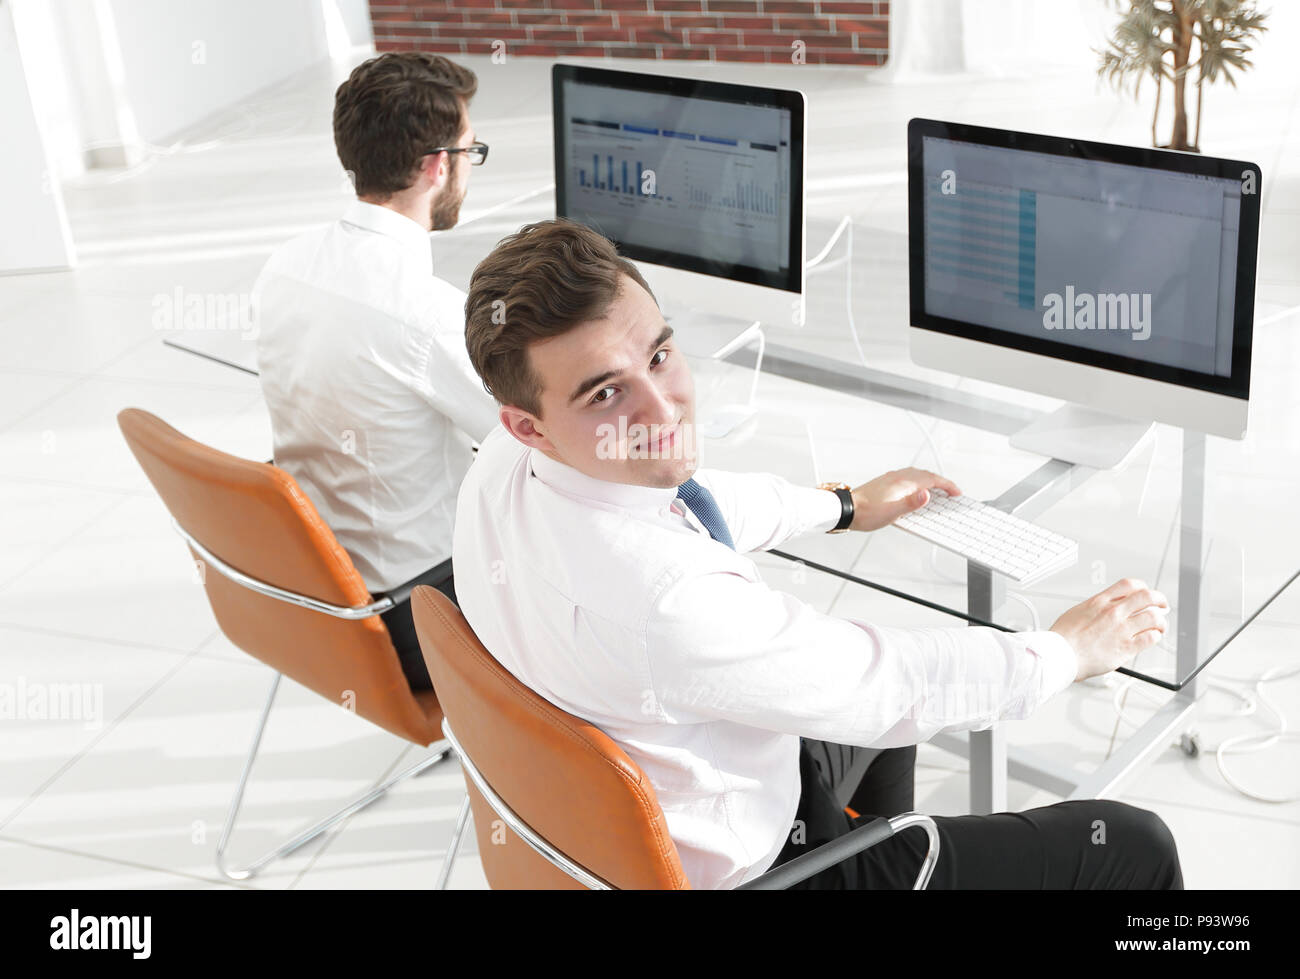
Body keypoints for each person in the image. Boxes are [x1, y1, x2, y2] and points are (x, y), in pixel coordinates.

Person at [451, 218, 1184, 890]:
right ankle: (868, 866)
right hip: (768, 866)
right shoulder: (667, 601)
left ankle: (875, 844)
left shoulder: (500, 467)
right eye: (607, 393)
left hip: (633, 814)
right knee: (1132, 842)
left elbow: (689, 495)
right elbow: (893, 686)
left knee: (866, 715)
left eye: (660, 354)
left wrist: (841, 506)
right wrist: (1065, 651)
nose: (664, 406)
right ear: (532, 426)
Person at [253, 53, 498, 690]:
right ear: (437, 165)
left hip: (317, 590)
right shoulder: (424, 312)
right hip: (420, 615)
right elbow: (531, 438)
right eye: (470, 154)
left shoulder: (285, 265)